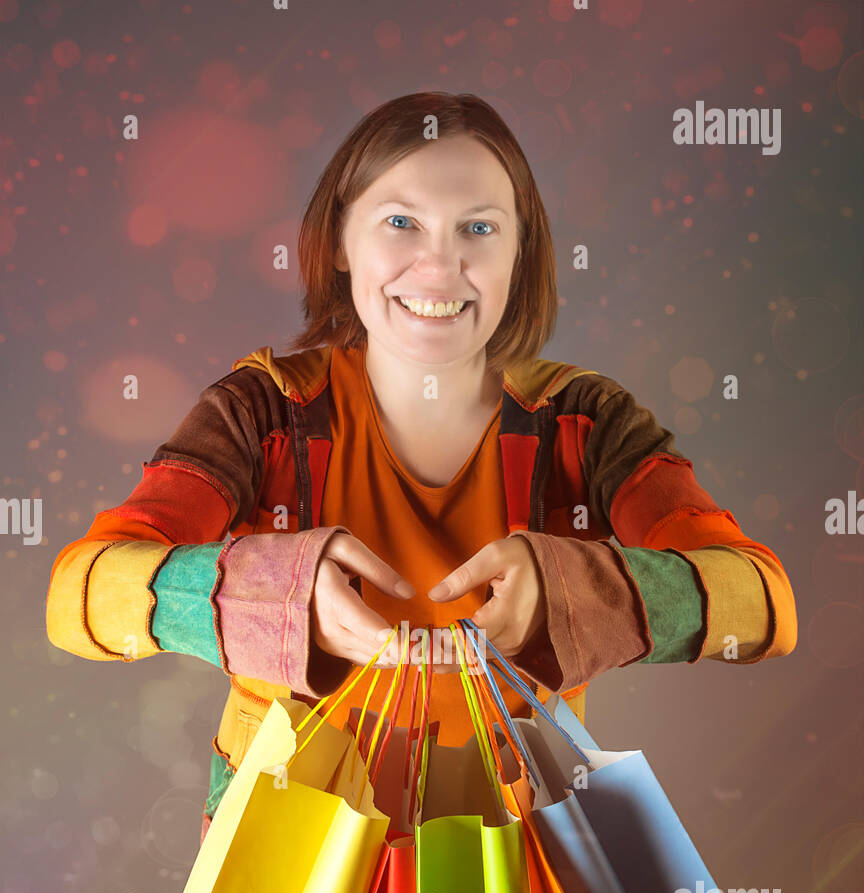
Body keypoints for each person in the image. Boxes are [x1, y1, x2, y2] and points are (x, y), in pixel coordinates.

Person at [45, 91, 796, 847]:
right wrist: (275, 597)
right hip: (282, 869)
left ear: (519, 251)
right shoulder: (260, 412)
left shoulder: (587, 422)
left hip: (517, 867)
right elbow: (82, 592)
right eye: (401, 222)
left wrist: (575, 592)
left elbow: (763, 603)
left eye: (478, 228)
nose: (439, 265)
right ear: (340, 238)